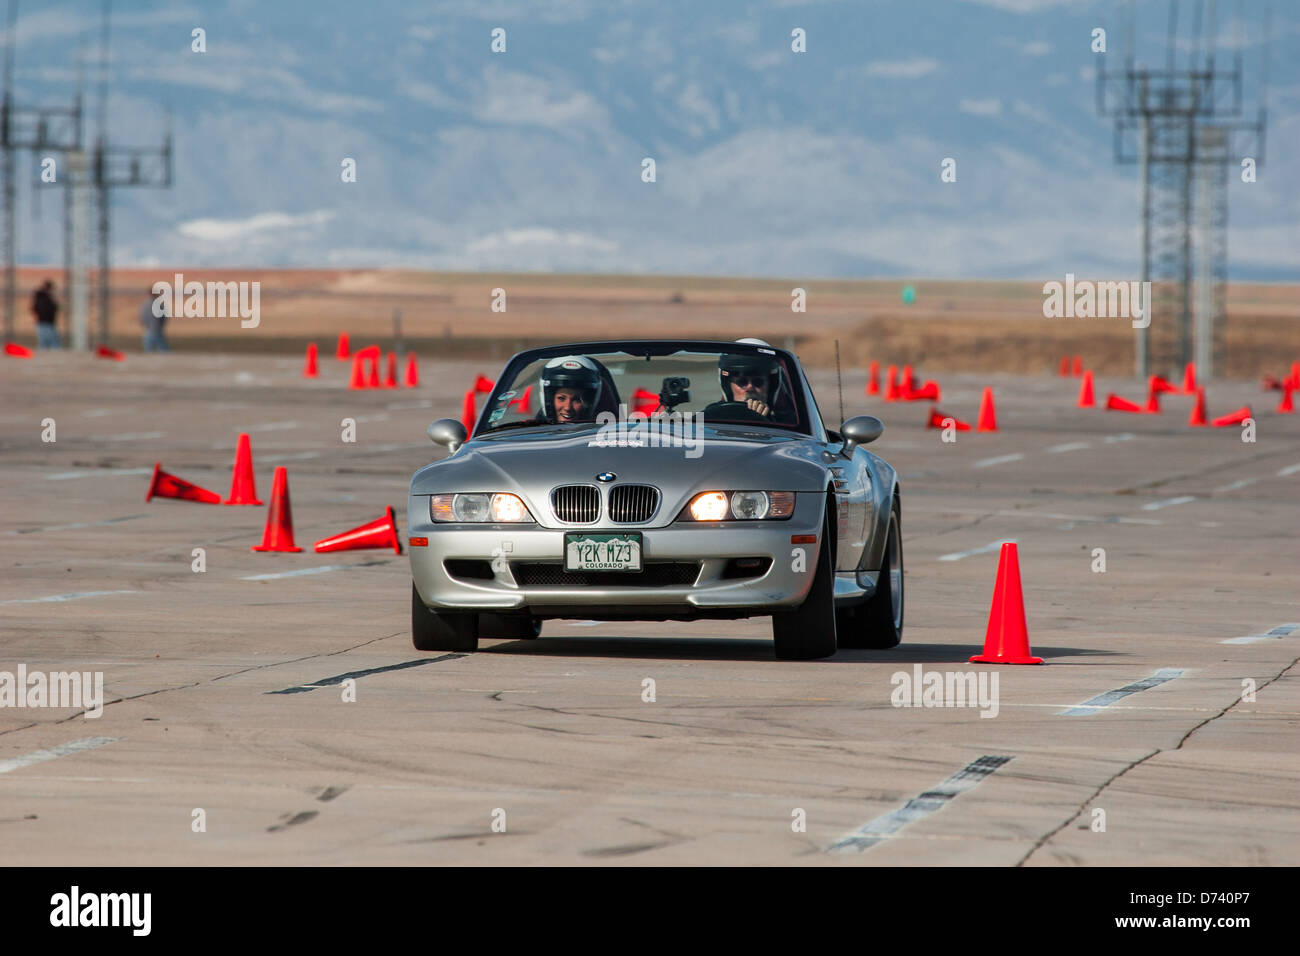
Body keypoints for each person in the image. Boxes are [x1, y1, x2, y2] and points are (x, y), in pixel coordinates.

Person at [703, 352, 795, 423]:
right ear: (728, 387)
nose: (750, 388)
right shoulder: (712, 415)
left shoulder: (789, 422)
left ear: (770, 387)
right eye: (741, 382)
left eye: (758, 382)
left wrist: (766, 421)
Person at [537, 355, 609, 423]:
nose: (568, 408)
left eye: (577, 400)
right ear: (550, 401)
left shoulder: (601, 432)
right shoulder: (534, 432)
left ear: (588, 404)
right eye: (561, 398)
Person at [31, 280, 60, 349]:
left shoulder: (41, 297)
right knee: (53, 343)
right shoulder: (44, 298)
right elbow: (53, 308)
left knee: (44, 343)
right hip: (46, 322)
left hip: (45, 322)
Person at [141, 287, 169, 352]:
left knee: (149, 352)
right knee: (164, 351)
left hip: (149, 331)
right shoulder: (159, 304)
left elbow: (142, 318)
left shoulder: (145, 305)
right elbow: (164, 317)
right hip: (157, 331)